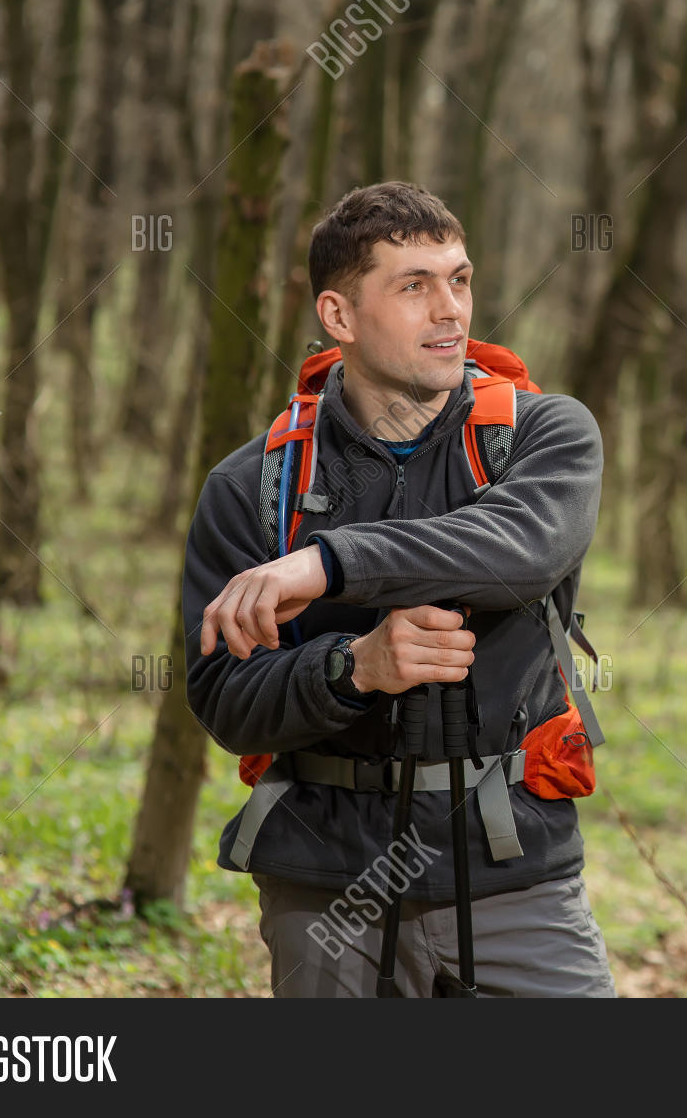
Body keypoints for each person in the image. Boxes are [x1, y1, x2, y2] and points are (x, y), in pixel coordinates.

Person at [180, 181, 615, 997]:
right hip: (326, 886)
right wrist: (354, 668)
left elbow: (523, 549)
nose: (451, 310)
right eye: (414, 286)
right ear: (338, 316)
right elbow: (225, 702)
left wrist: (325, 564)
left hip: (515, 874)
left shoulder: (545, 433)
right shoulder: (254, 484)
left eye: (460, 279)